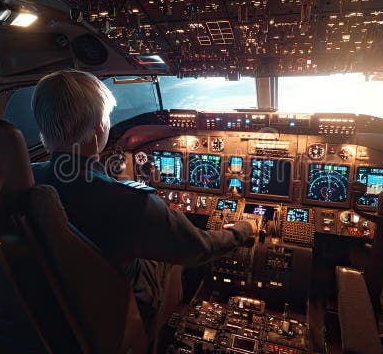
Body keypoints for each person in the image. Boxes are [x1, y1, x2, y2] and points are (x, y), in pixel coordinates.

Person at [29, 70, 257, 332]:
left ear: (44, 132)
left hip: (57, 303)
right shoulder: (129, 202)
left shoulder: (27, 177)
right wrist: (242, 230)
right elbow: (200, 248)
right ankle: (164, 329)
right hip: (118, 307)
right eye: (106, 120)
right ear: (99, 131)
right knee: (171, 253)